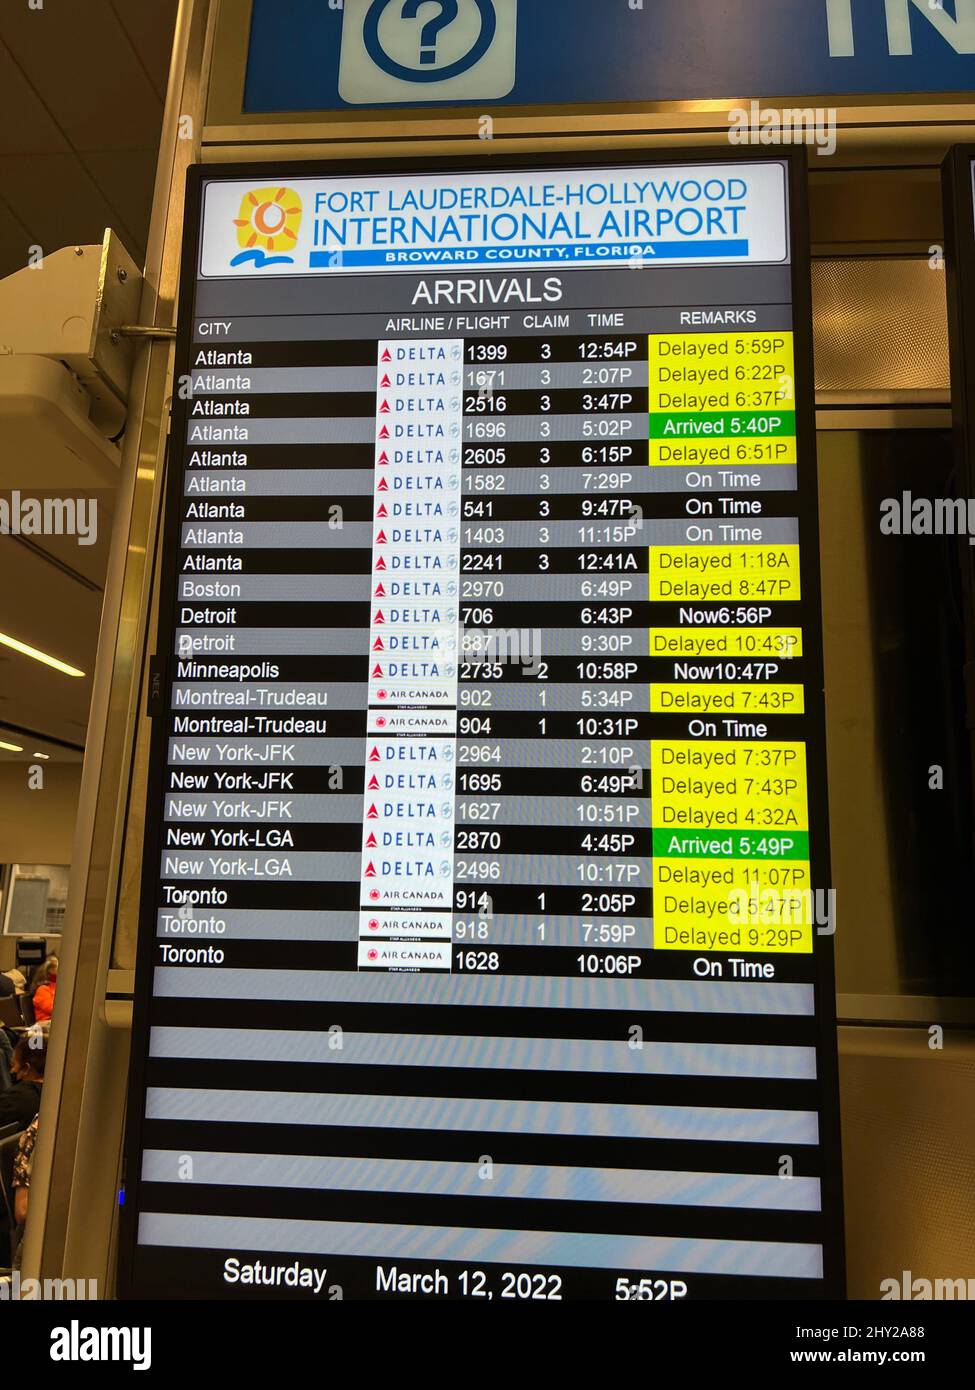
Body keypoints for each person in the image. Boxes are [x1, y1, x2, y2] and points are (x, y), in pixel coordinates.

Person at [0, 1032, 46, 1129]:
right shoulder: (60, 1092)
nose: (12, 1071)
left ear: (26, 1068)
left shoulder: (14, 1099)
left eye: (14, 1065)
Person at [30, 956, 57, 1024]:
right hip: (46, 1023)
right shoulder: (42, 989)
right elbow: (53, 1010)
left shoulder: (58, 986)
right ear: (50, 970)